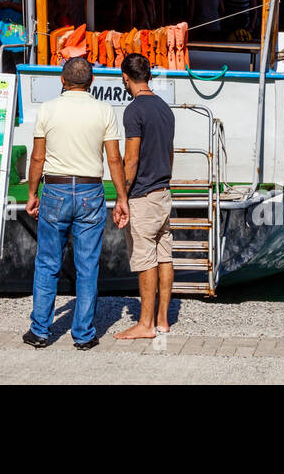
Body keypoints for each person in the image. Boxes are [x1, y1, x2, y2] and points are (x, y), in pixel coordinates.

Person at [23, 57, 129, 350]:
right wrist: (122, 198)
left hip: (55, 190)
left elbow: (37, 157)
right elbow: (114, 159)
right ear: (91, 81)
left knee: (47, 263)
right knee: (87, 265)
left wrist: (33, 193)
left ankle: (40, 331)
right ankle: (83, 334)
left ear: (62, 80)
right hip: (89, 190)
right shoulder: (104, 110)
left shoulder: (47, 109)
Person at [113, 53, 175, 339]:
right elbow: (170, 153)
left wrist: (122, 196)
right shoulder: (165, 109)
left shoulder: (134, 111)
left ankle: (146, 324)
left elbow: (132, 159)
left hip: (143, 195)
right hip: (164, 192)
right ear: (148, 75)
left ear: (126, 78)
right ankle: (162, 319)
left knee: (146, 258)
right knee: (164, 256)